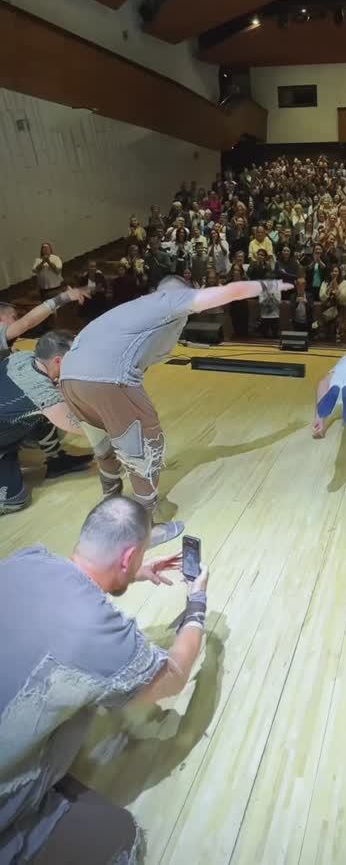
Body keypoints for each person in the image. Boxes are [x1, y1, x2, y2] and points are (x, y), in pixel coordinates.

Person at [0, 495, 209, 864]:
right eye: (138, 559)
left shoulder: (26, 559)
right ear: (128, 557)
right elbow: (174, 677)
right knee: (120, 838)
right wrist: (197, 605)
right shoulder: (101, 634)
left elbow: (69, 585)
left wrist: (134, 573)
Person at [59, 275, 292, 546]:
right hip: (108, 380)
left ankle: (110, 504)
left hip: (70, 380)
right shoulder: (170, 300)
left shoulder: (135, 308)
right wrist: (270, 286)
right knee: (146, 451)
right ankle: (146, 530)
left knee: (105, 448)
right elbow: (232, 291)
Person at [0, 330, 91, 513]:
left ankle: (56, 461)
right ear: (57, 361)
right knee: (14, 501)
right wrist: (119, 430)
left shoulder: (23, 357)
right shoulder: (42, 393)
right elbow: (85, 428)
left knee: (44, 411)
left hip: (6, 424)